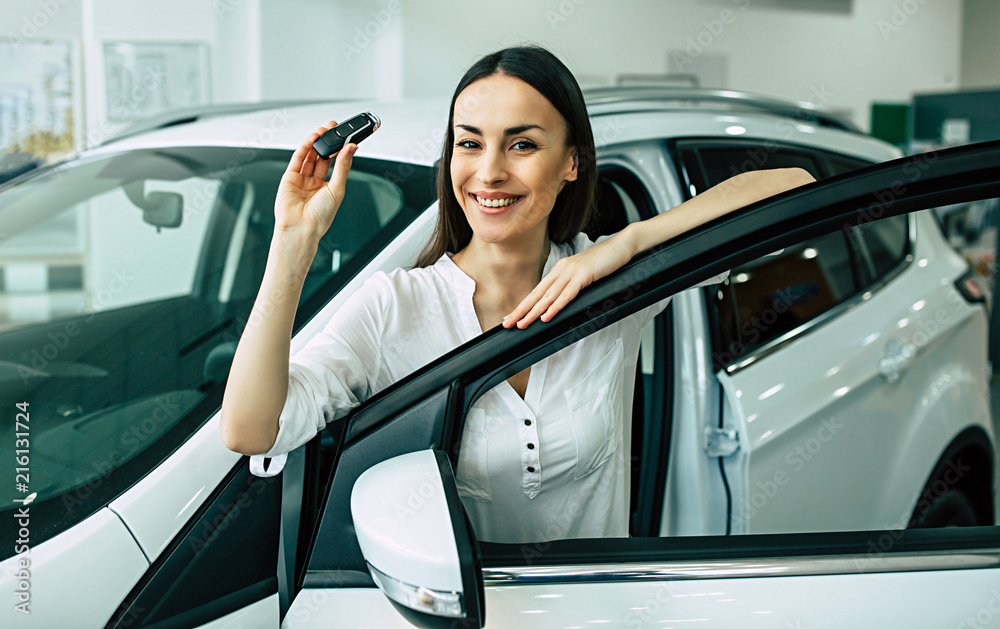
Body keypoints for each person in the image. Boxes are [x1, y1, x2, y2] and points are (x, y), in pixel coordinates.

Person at [219, 44, 815, 543]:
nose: (490, 172)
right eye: (470, 143)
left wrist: (628, 244)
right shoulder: (394, 307)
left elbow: (795, 188)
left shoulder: (610, 280)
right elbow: (251, 429)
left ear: (573, 163)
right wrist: (292, 244)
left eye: (522, 145)